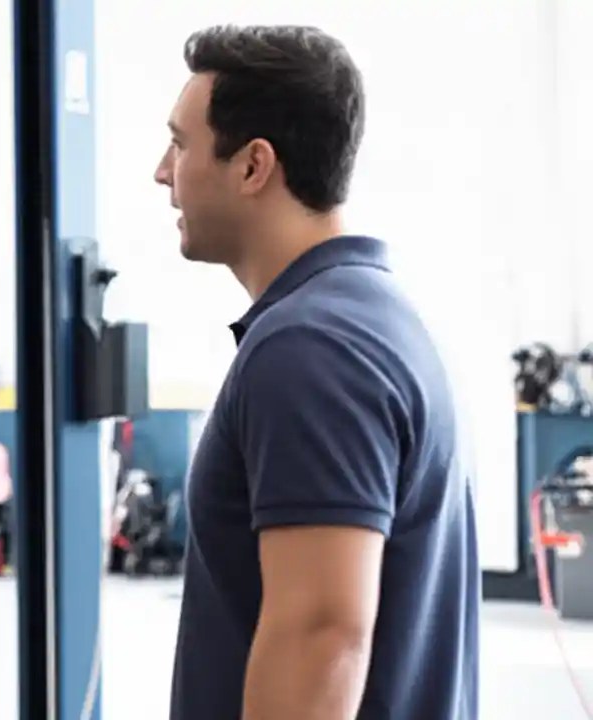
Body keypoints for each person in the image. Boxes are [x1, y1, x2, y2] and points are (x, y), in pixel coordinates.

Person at [155, 25, 479, 720]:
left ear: (252, 166)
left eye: (180, 144)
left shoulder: (311, 347)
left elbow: (321, 637)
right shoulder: (372, 315)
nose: (162, 170)